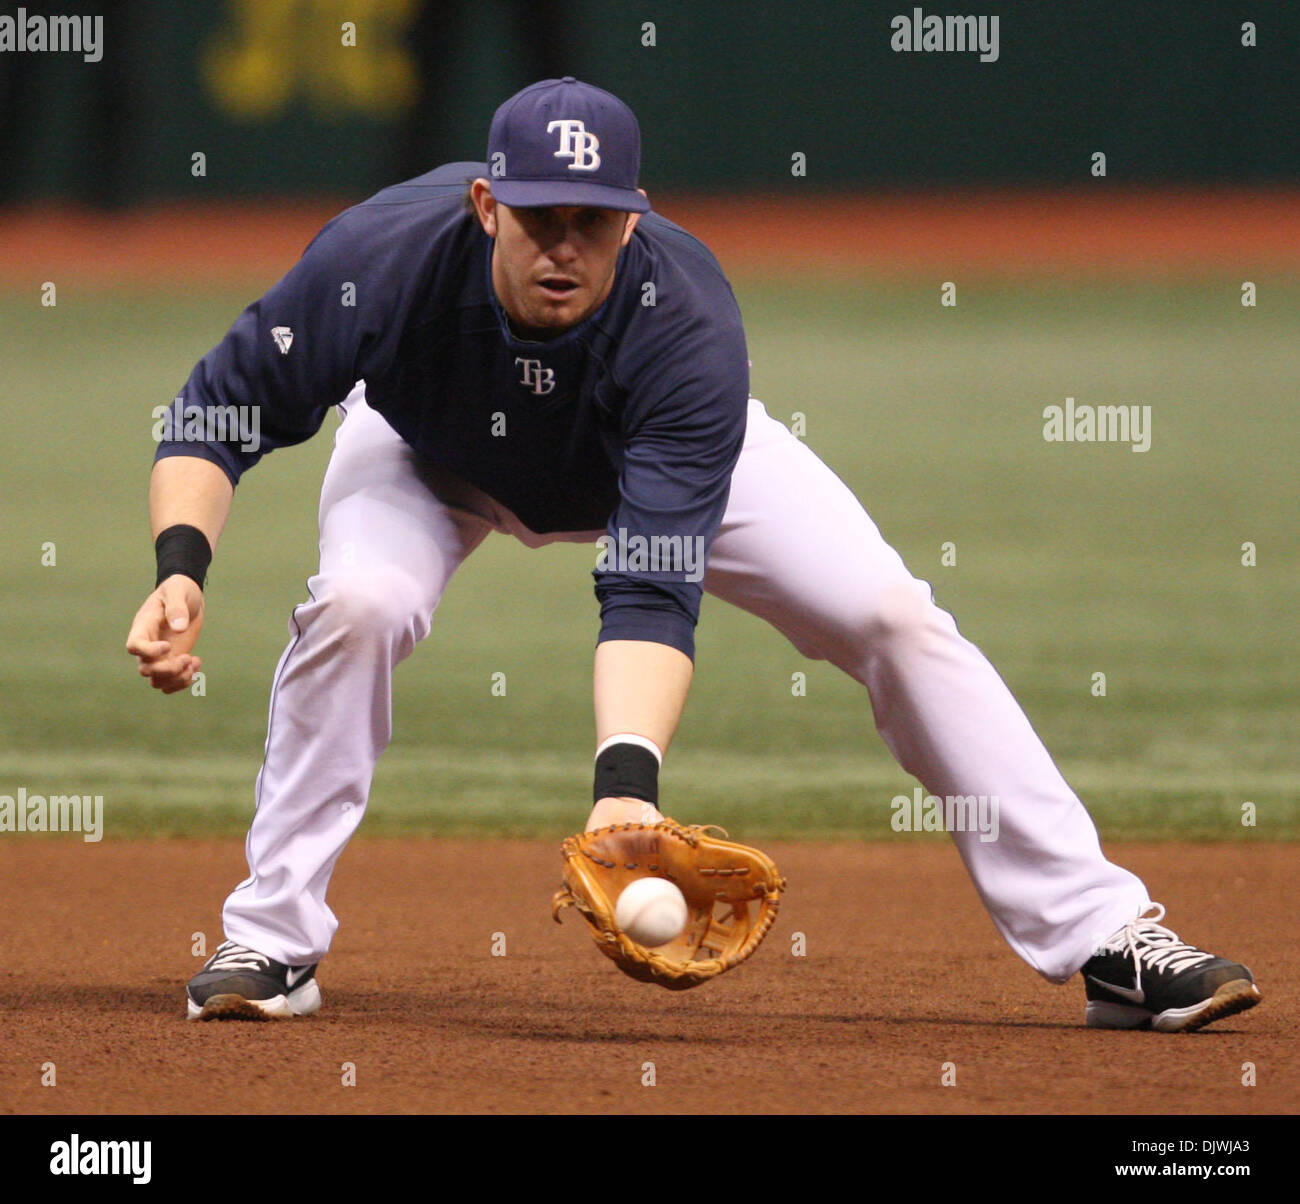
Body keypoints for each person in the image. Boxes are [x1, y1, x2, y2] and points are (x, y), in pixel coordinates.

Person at [126, 77, 1260, 1032]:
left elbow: (649, 582)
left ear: (636, 215)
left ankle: (1104, 932)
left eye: (594, 220)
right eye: (538, 218)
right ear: (484, 206)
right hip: (432, 451)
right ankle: (270, 940)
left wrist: (626, 788)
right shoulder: (375, 260)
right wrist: (183, 565)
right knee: (360, 602)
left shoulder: (686, 324)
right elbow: (216, 414)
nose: (564, 245)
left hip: (649, 451)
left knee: (889, 615)